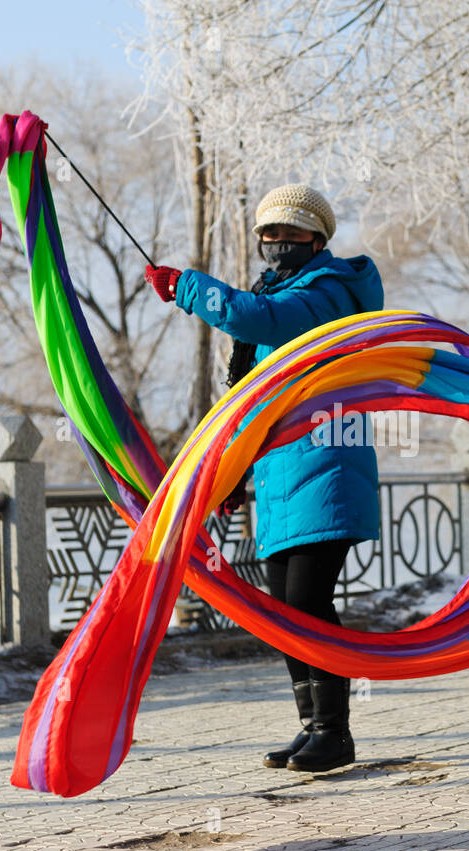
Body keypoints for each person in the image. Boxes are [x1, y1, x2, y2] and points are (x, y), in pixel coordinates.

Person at [144, 184, 383, 772]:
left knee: (307, 603)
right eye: (268, 234)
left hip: (327, 465)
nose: (276, 243)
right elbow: (251, 404)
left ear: (317, 239)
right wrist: (229, 476)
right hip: (281, 476)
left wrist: (188, 287)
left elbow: (265, 320)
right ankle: (312, 727)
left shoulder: (327, 294)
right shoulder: (274, 292)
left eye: (289, 233)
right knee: (284, 608)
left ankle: (335, 732)